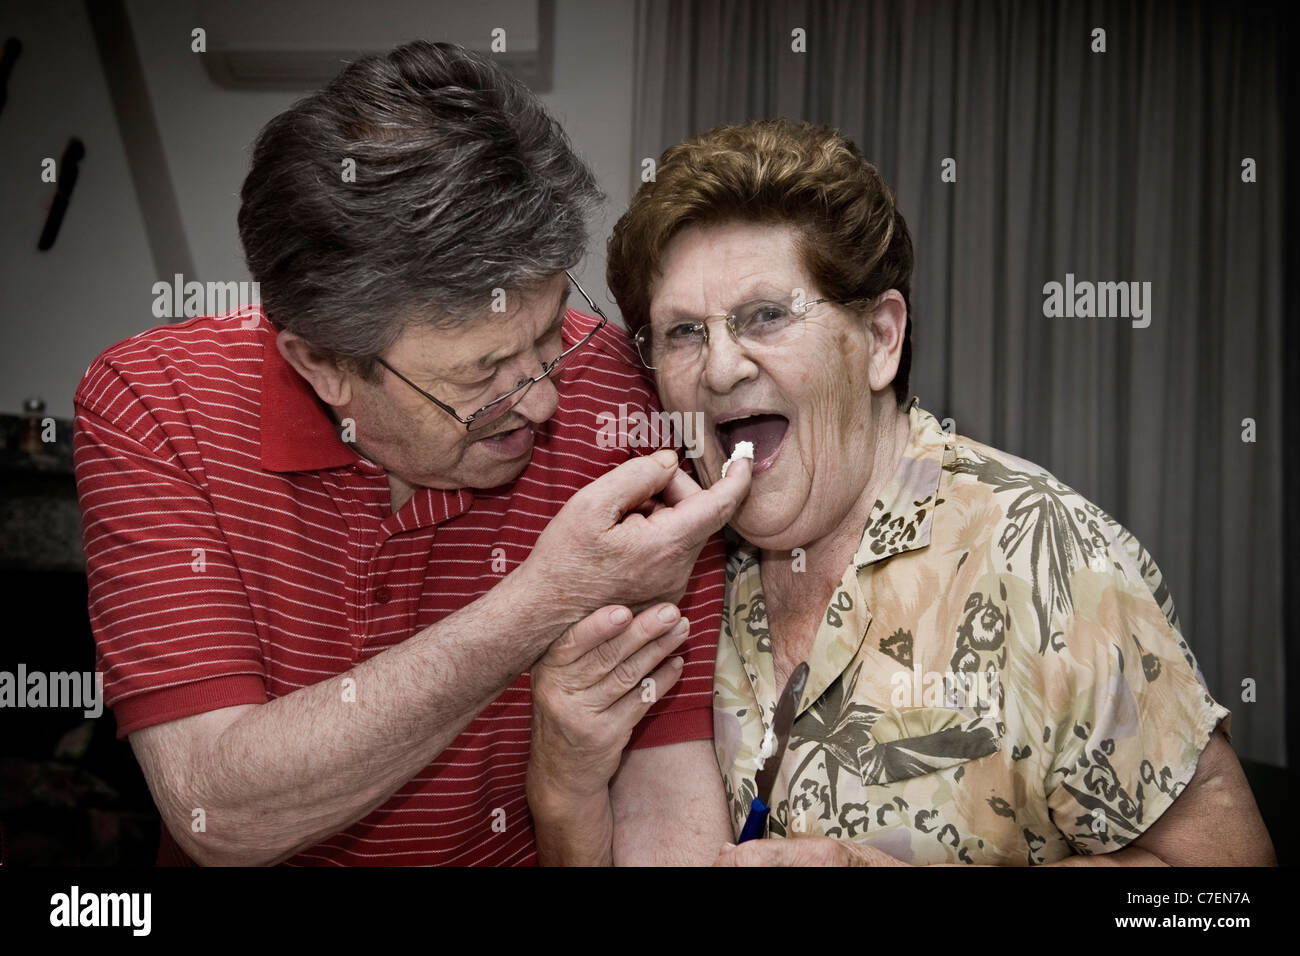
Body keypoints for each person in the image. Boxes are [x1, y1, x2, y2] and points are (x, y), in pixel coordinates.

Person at [72, 40, 751, 867]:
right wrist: (547, 596)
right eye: (481, 376)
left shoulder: (624, 395)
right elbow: (219, 813)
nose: (542, 402)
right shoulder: (155, 405)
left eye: (548, 336)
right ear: (322, 364)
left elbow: (663, 794)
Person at [531, 118, 1275, 865]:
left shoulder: (1043, 555)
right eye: (683, 333)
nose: (721, 370)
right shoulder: (668, 570)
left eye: (767, 316)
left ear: (881, 340)